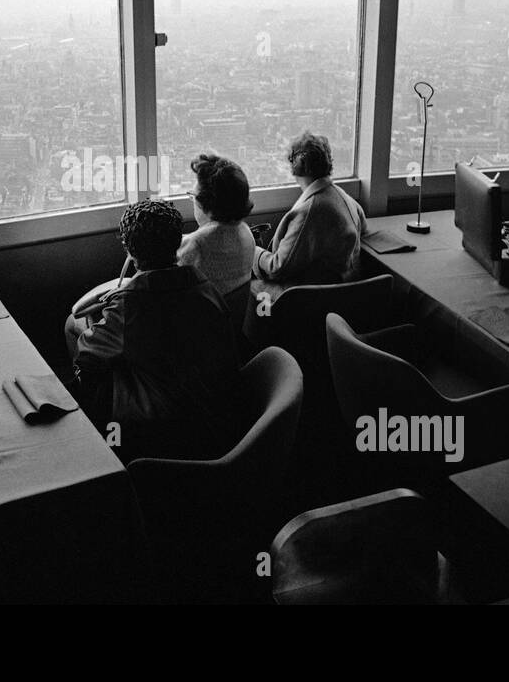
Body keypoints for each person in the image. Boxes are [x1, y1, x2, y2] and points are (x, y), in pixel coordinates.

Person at [70, 200, 242, 463]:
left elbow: (87, 353)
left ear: (129, 250)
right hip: (212, 415)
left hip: (161, 426)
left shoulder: (128, 304)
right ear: (177, 242)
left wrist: (101, 318)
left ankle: (103, 450)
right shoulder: (207, 289)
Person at [253, 131, 367, 299]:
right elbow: (362, 227)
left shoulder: (308, 211)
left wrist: (254, 251)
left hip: (313, 296)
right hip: (344, 288)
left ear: (296, 165)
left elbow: (277, 268)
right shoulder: (343, 196)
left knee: (254, 289)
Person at [178, 153, 256, 297]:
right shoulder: (246, 232)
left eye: (193, 196)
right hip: (230, 317)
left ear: (204, 202)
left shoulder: (198, 244)